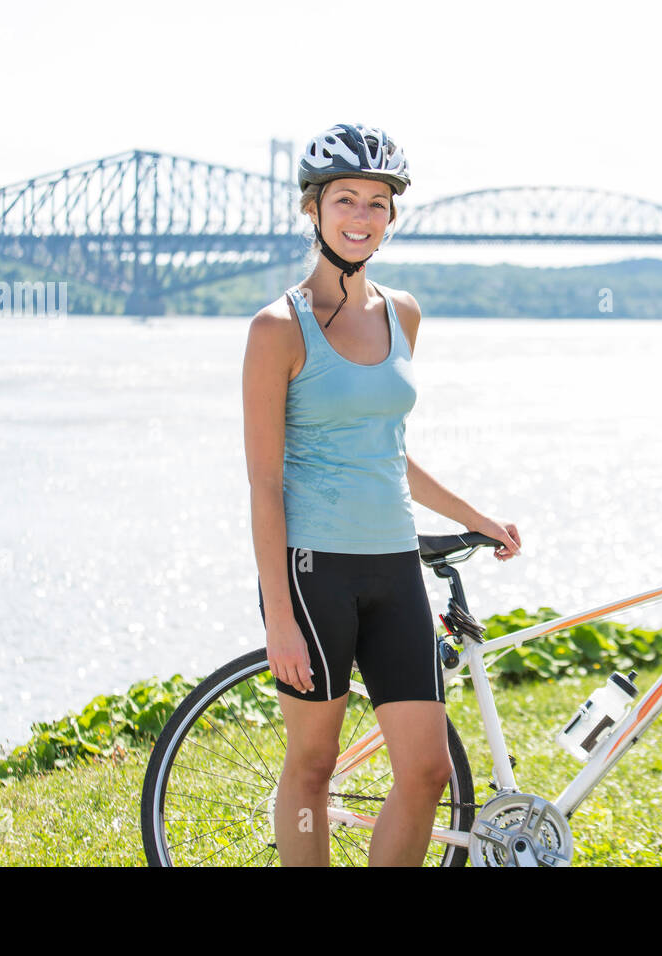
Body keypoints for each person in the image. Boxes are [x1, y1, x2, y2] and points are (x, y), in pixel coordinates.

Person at [242, 123, 521, 866]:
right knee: (312, 766)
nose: (361, 217)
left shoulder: (403, 313)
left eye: (376, 203)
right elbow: (264, 483)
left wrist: (476, 517)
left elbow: (390, 453)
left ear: (391, 216)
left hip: (394, 565)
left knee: (426, 771)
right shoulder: (277, 329)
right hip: (313, 573)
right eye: (345, 200)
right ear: (314, 208)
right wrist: (279, 615)